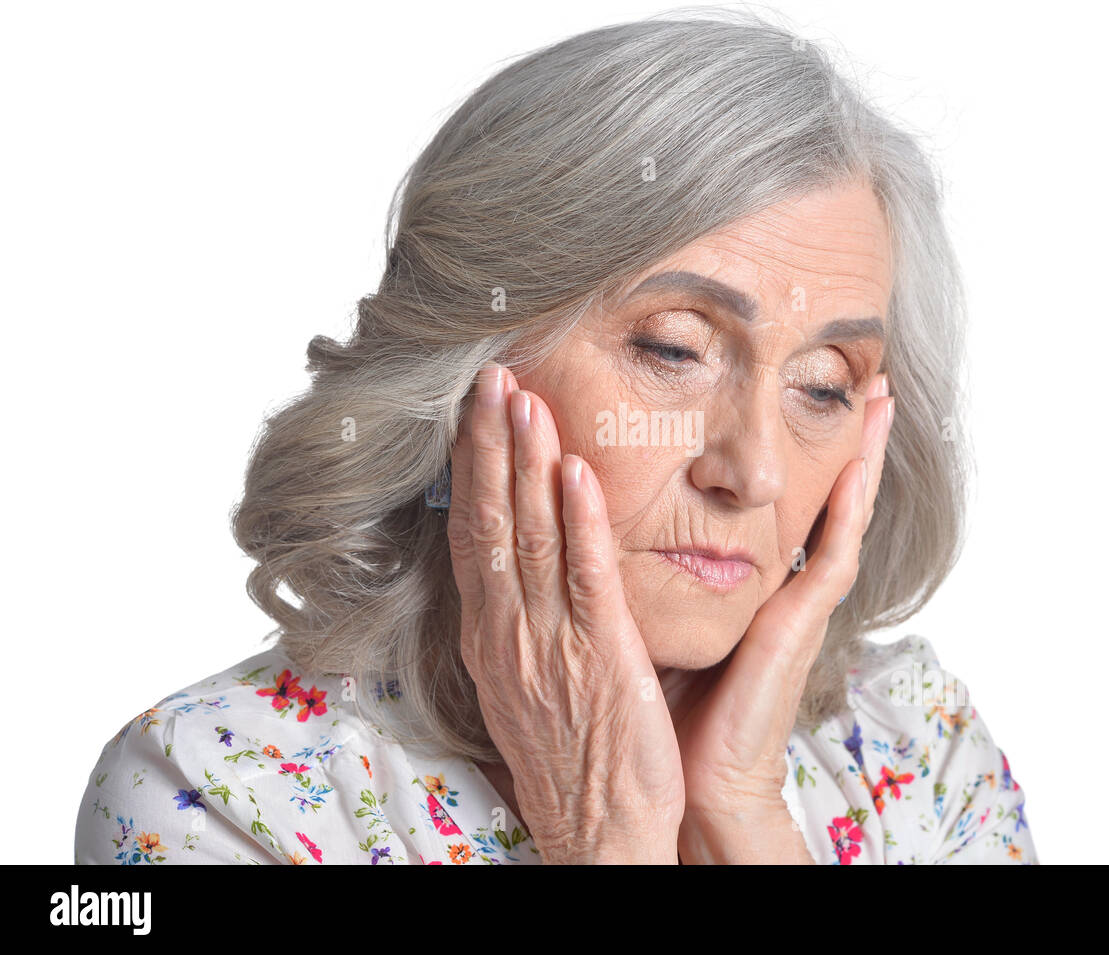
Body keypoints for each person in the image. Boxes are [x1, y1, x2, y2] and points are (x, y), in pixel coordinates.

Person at [74, 10, 1038, 865]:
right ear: (469, 369)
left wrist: (741, 815)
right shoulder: (221, 793)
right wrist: (606, 836)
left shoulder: (917, 745)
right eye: (673, 348)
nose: (754, 470)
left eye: (823, 387)